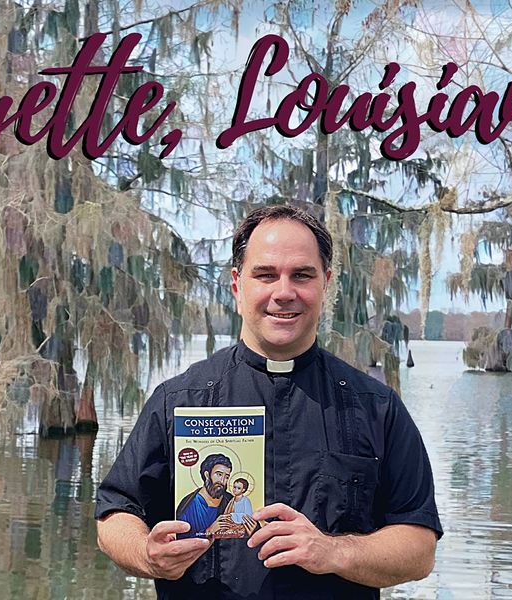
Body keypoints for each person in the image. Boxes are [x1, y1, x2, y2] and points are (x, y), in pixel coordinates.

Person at [95, 205, 442, 599]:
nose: (283, 292)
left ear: (325, 284)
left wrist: (333, 551)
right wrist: (145, 553)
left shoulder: (377, 407)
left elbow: (419, 549)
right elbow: (114, 514)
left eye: (302, 275)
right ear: (237, 285)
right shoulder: (178, 401)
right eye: (265, 275)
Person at [175, 454, 234, 537]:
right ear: (207, 475)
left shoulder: (230, 500)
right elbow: (180, 539)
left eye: (227, 477)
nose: (222, 481)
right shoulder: (189, 505)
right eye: (219, 474)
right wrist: (209, 531)